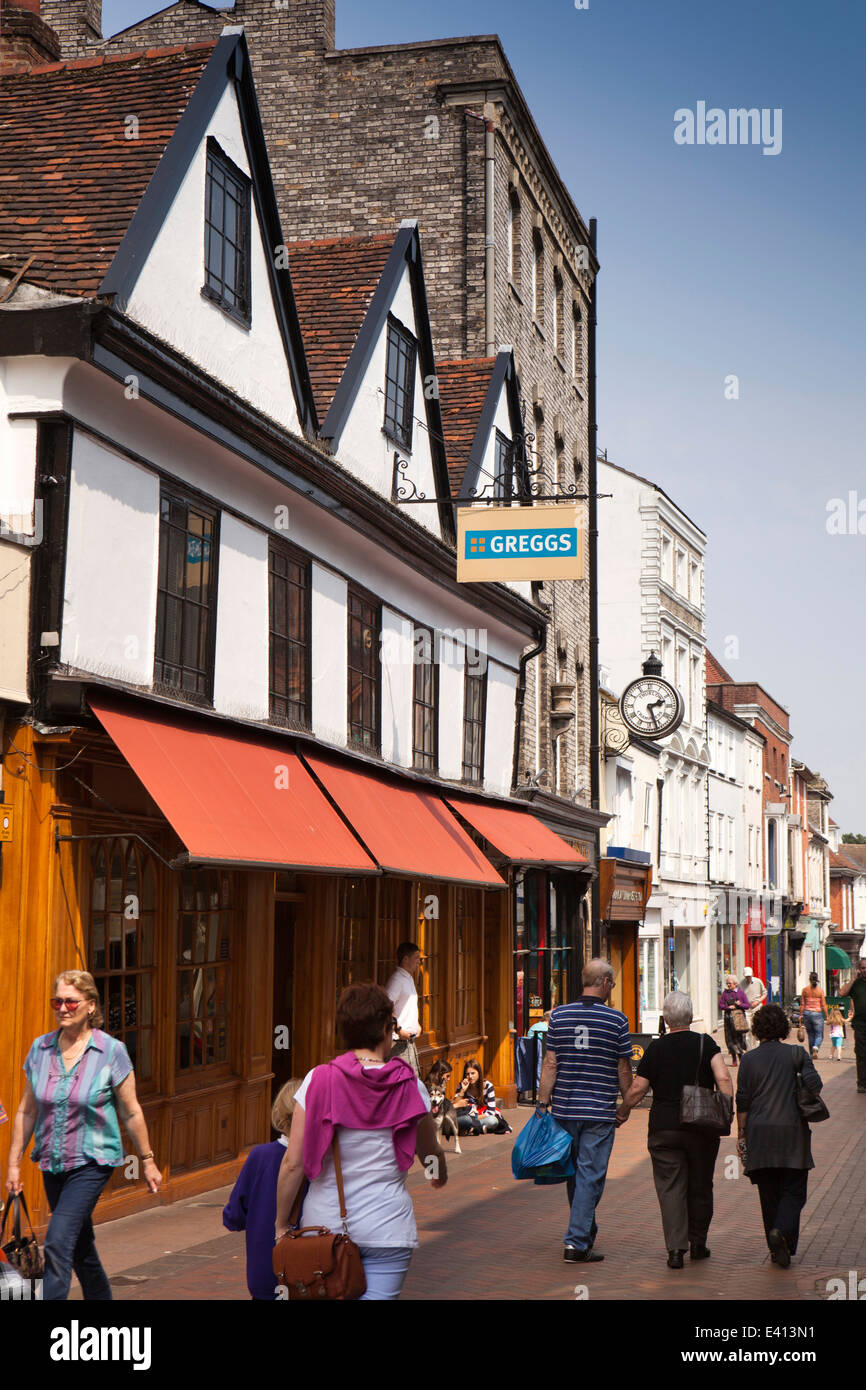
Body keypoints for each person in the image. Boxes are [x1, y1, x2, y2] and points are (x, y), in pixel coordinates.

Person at [274, 981, 447, 1300]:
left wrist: (281, 1222)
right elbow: (431, 1156)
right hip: (388, 1228)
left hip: (325, 1229)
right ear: (386, 1028)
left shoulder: (318, 1080)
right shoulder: (409, 1084)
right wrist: (438, 1174)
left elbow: (293, 1163)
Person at [4, 970, 161, 1301]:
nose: (62, 1007)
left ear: (90, 1006)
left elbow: (131, 1111)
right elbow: (26, 1111)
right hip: (52, 1162)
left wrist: (147, 1160)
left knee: (59, 1241)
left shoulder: (111, 1051)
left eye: (70, 1001)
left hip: (92, 1162)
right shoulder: (41, 1048)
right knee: (80, 1250)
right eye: (56, 1001)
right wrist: (14, 1163)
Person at [620, 992, 733, 1268]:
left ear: (666, 1018)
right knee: (701, 1184)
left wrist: (621, 1112)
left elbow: (638, 1088)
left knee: (670, 1188)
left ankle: (675, 1250)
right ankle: (698, 1243)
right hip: (701, 1127)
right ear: (691, 1016)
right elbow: (723, 1077)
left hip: (664, 1128)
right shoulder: (706, 1044)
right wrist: (726, 1110)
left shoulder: (656, 1049)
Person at [536, 959, 634, 1264]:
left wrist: (542, 1103)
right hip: (599, 1111)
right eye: (613, 984)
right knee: (591, 1175)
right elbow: (623, 1067)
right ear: (604, 983)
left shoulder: (559, 1016)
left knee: (576, 1175)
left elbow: (550, 1063)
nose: (612, 989)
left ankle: (584, 1232)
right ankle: (576, 1242)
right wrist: (626, 1104)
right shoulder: (617, 1021)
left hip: (565, 1109)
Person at [735, 1002, 822, 1267]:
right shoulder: (797, 1054)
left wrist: (741, 1136)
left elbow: (743, 1101)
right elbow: (815, 1086)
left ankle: (777, 1249)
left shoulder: (748, 1060)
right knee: (794, 1191)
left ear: (757, 1029)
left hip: (759, 1133)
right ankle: (781, 1233)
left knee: (768, 1193)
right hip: (792, 1132)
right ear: (783, 1028)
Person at [222, 1079, 302, 1300]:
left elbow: (234, 1216)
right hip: (314, 1271)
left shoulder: (260, 1157)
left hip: (266, 1273)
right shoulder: (322, 1159)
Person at [386, 941, 422, 1078]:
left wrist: (417, 1024)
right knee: (402, 1082)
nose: (419, 961)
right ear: (406, 959)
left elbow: (408, 1006)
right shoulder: (396, 980)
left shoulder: (408, 978)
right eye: (416, 958)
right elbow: (386, 1007)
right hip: (397, 1043)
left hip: (409, 1041)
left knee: (412, 1082)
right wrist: (398, 1029)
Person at [452, 1059, 505, 1135]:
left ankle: (470, 1129)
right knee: (465, 1120)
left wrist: (474, 1118)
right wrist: (462, 1090)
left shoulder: (488, 1086)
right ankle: (476, 1129)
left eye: (473, 1073)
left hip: (479, 1117)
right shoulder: (462, 1085)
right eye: (467, 1074)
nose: (470, 1076)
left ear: (479, 1073)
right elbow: (454, 1106)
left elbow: (491, 1112)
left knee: (493, 1121)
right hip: (465, 1117)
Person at [840, 956, 866, 1092]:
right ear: (859, 970)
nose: (865, 970)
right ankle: (862, 1083)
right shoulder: (856, 983)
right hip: (860, 1025)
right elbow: (842, 993)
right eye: (862, 968)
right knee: (861, 1054)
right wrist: (854, 979)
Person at [719, 975, 750, 1067]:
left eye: (730, 983)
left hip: (739, 1019)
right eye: (727, 983)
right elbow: (720, 1005)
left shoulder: (741, 993)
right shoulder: (725, 993)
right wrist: (728, 1007)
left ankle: (741, 1057)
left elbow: (747, 1006)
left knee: (739, 1037)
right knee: (729, 1038)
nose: (728, 985)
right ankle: (734, 1059)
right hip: (728, 1019)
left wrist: (740, 1004)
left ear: (735, 984)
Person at [799, 972, 828, 1059]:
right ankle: (816, 1047)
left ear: (809, 979)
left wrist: (800, 1015)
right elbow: (823, 1005)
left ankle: (812, 1053)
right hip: (817, 1013)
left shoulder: (805, 990)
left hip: (807, 1013)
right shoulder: (820, 991)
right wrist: (827, 1016)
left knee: (811, 1034)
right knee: (819, 1035)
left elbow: (802, 1004)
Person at [740, 967, 767, 1048]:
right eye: (746, 976)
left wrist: (758, 1001)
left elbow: (765, 993)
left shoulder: (758, 982)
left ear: (752, 975)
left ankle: (757, 1047)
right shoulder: (741, 983)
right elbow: (739, 995)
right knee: (747, 1028)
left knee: (756, 1027)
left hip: (757, 1008)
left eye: (749, 976)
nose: (748, 978)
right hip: (747, 1009)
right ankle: (749, 1048)